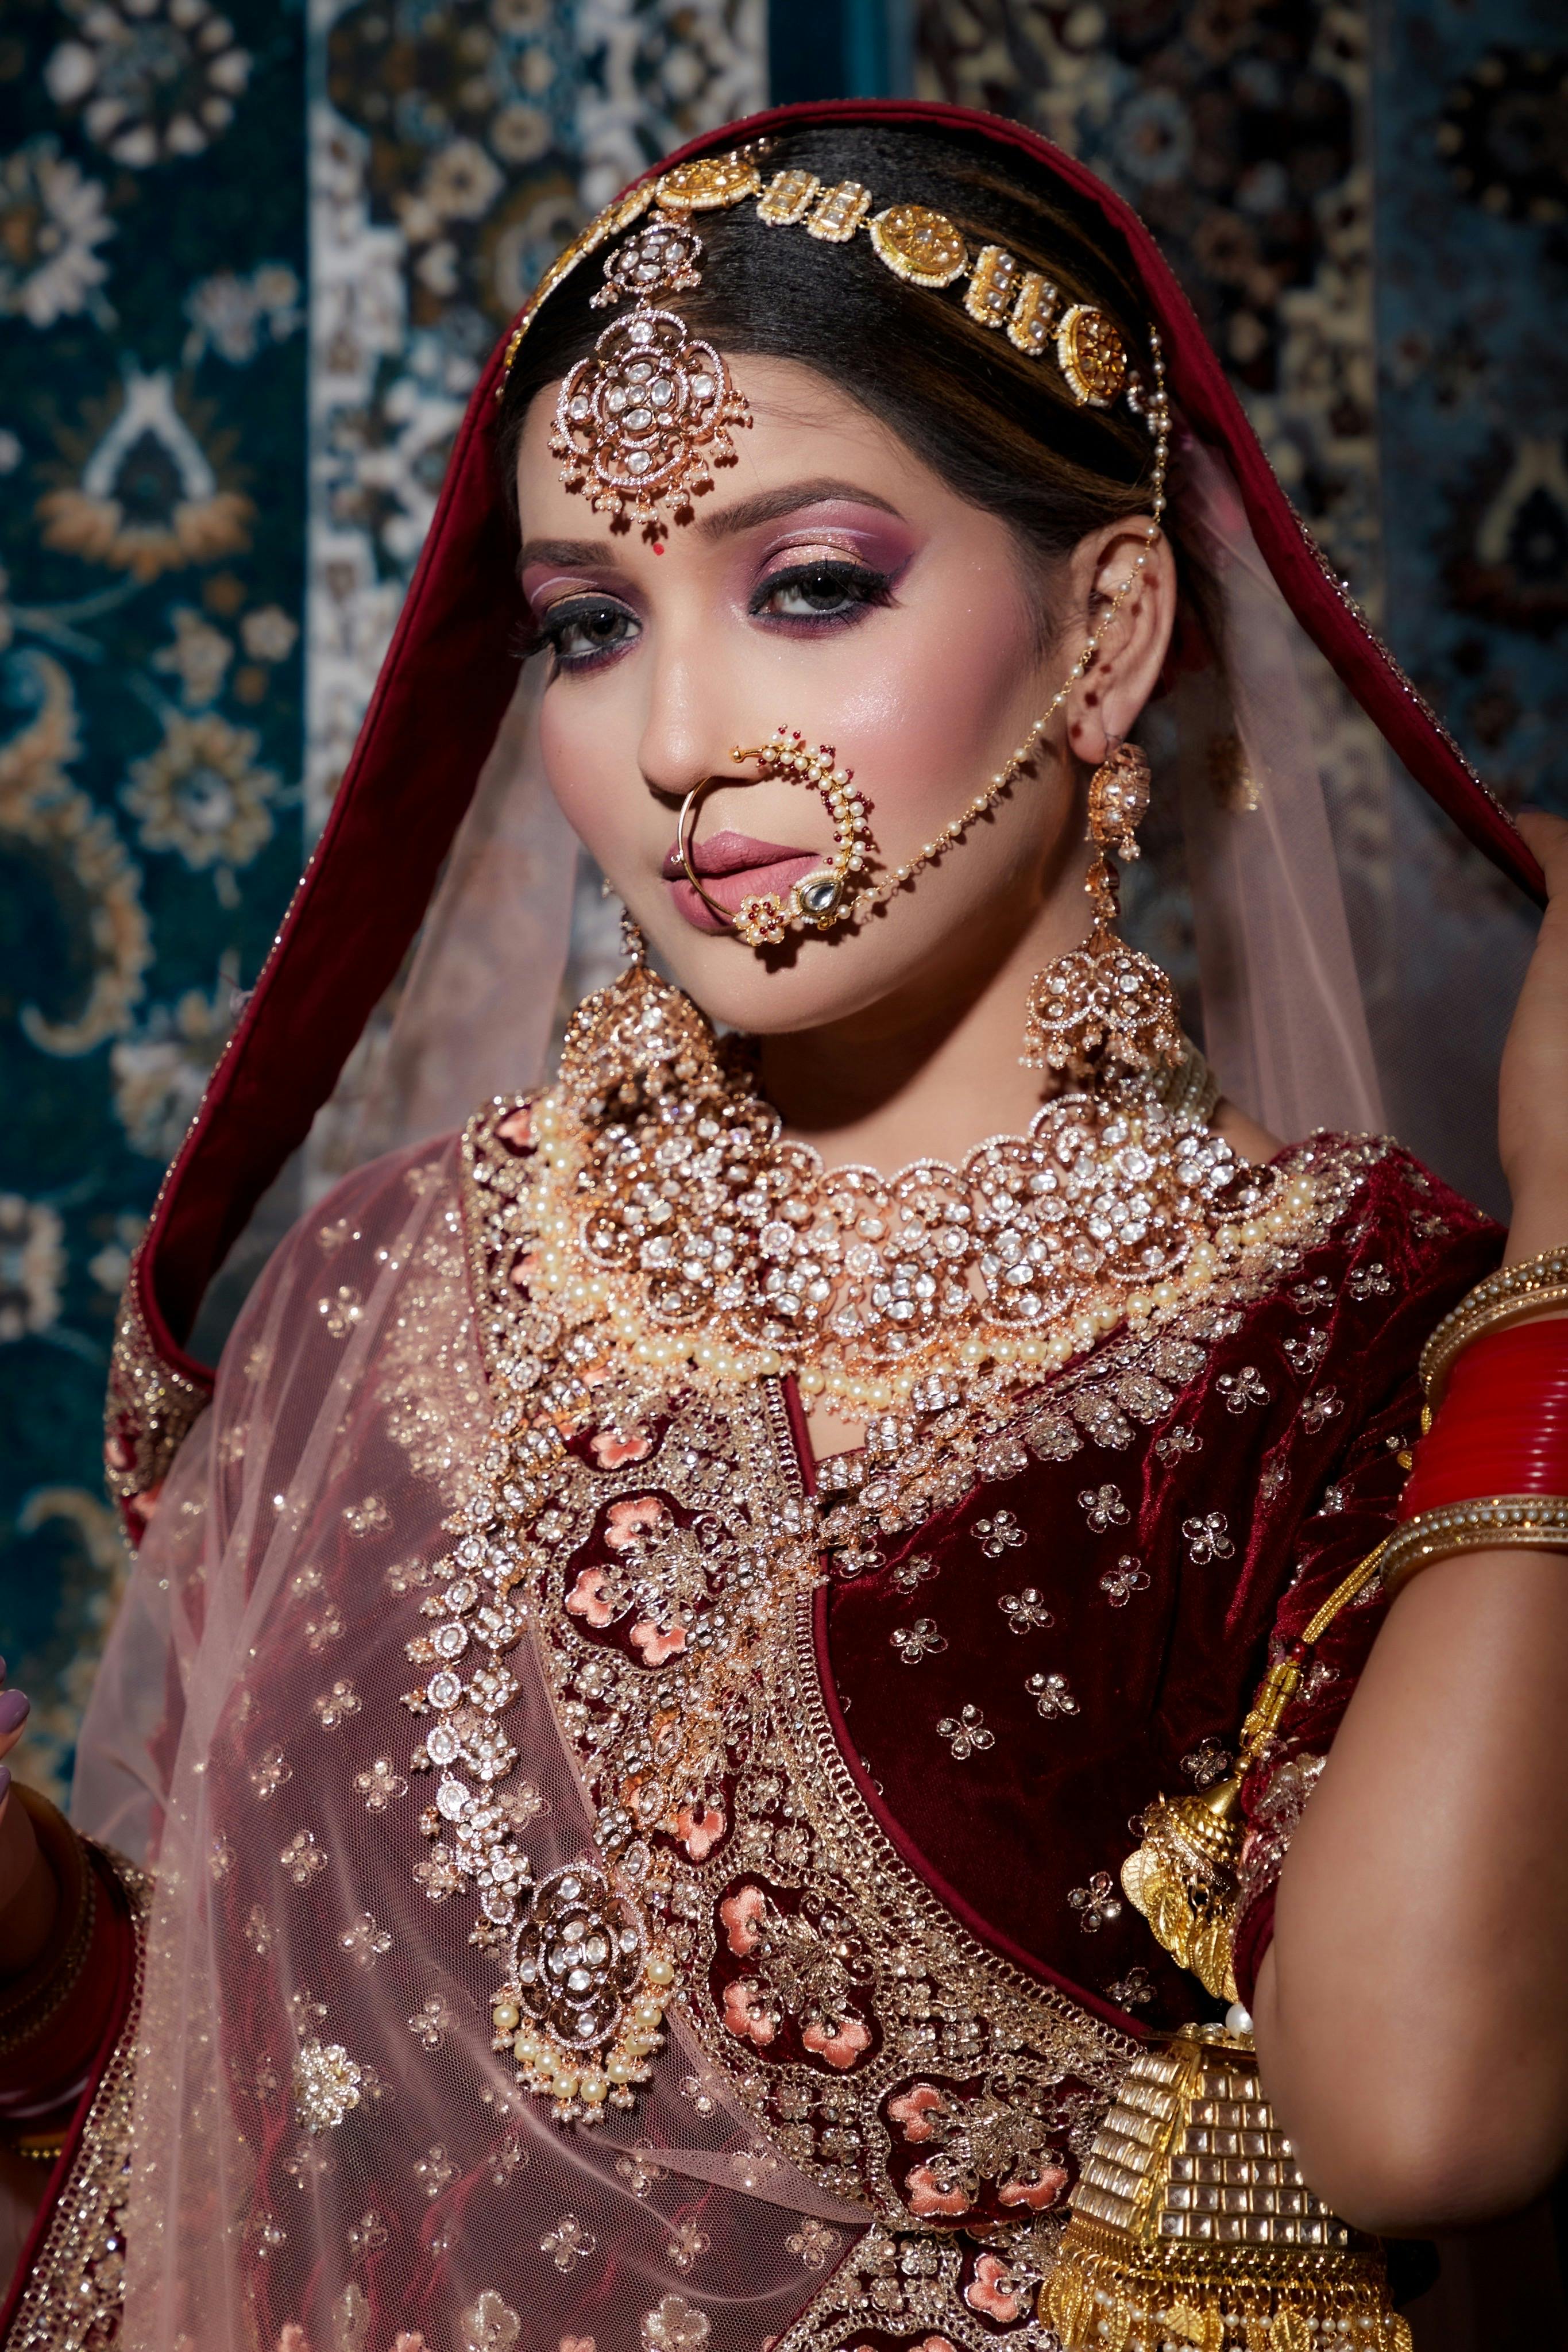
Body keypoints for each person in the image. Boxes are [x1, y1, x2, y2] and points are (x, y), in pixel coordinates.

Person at [1, 100, 1565, 2352]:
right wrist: (35, 1945)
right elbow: (269, 2120)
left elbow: (1422, 2121)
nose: (675, 738)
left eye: (810, 586)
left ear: (1104, 628)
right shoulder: (393, 1276)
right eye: (585, 624)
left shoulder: (1340, 1326)